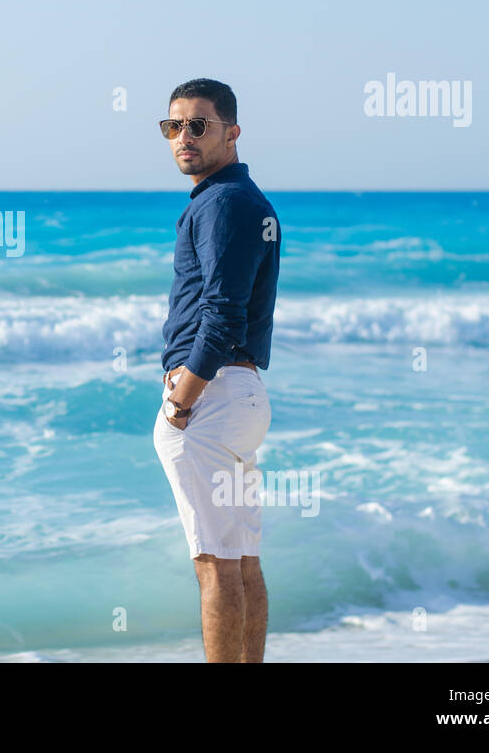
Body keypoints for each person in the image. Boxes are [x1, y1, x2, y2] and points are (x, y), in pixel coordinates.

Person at [152, 78, 281, 663]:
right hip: (240, 395)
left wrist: (183, 397)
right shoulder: (240, 199)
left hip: (213, 397)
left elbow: (223, 312)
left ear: (231, 132)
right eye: (173, 125)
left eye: (198, 125)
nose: (184, 137)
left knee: (215, 565)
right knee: (241, 559)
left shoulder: (224, 202)